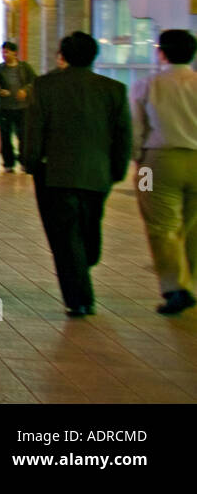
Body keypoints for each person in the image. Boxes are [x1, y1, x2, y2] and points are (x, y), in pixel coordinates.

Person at [23, 32, 130, 317]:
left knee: (65, 237)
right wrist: (117, 170)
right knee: (88, 230)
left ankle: (77, 294)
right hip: (97, 174)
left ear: (63, 56)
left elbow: (34, 127)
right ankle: (81, 292)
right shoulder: (114, 89)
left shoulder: (45, 85)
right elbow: (123, 135)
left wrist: (30, 161)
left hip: (54, 174)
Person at [131, 28, 197, 315]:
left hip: (155, 163)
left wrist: (136, 160)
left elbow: (136, 128)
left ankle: (174, 287)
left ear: (161, 52)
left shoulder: (147, 84)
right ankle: (191, 283)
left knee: (159, 226)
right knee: (193, 226)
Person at [0, 40, 36, 172]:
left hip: (23, 107)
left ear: (15, 53)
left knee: (24, 135)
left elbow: (33, 81)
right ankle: (8, 162)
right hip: (5, 107)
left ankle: (24, 161)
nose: (4, 54)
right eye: (3, 51)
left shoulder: (24, 67)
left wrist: (25, 90)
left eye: (7, 51)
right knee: (4, 136)